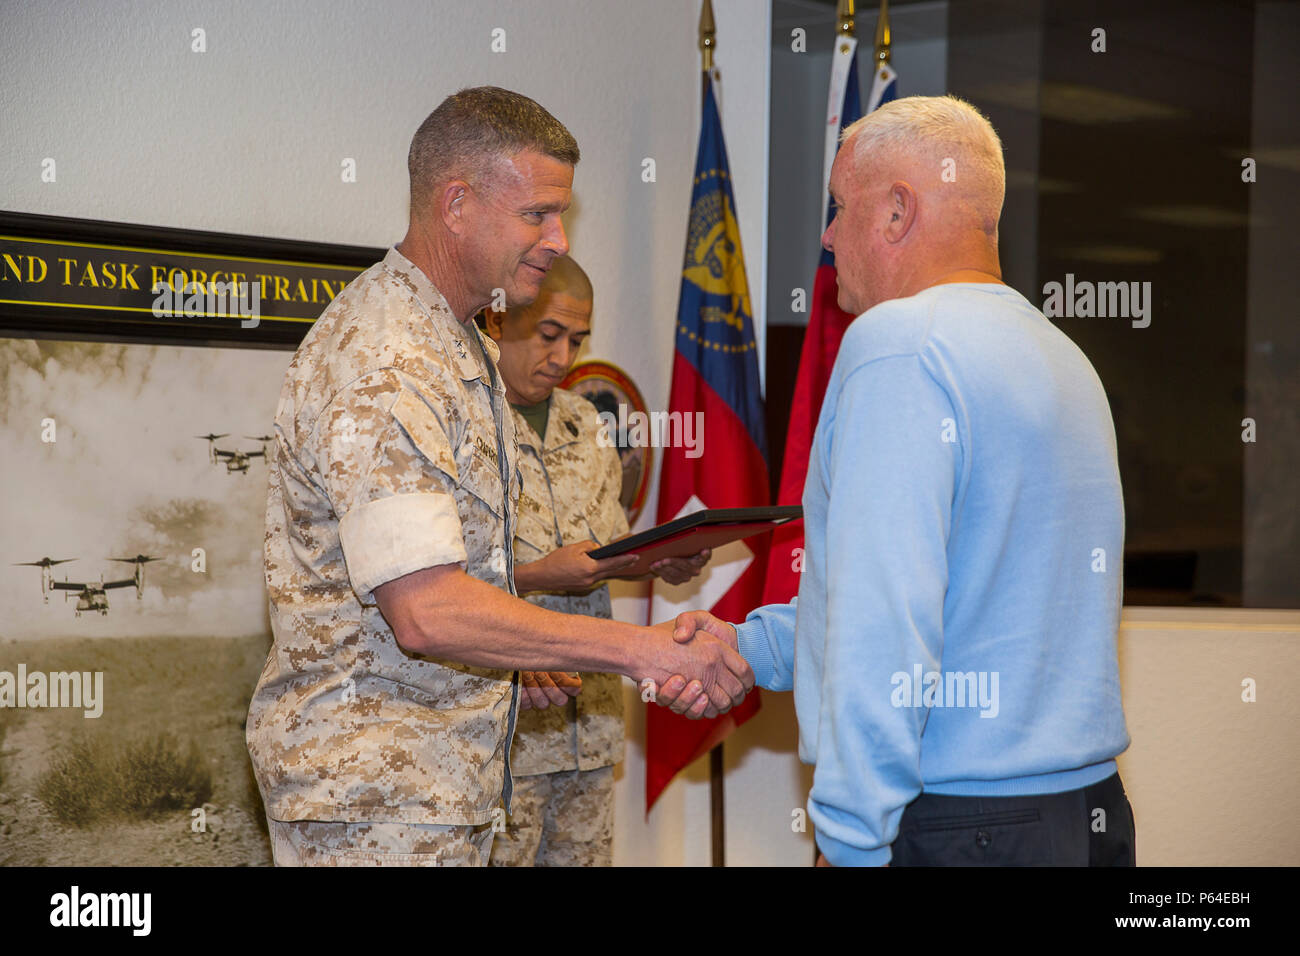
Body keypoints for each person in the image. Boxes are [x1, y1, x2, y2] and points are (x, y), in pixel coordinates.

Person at [246, 86, 751, 867]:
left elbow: (463, 572)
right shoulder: (388, 359)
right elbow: (427, 610)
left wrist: (528, 647)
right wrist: (640, 651)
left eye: (562, 216)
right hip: (374, 804)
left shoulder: (462, 345)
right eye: (537, 215)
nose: (557, 240)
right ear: (456, 205)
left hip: (450, 791)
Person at [664, 95, 1135, 866]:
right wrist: (751, 648)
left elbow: (886, 622)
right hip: (1083, 815)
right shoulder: (1063, 358)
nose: (826, 235)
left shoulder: (901, 343)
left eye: (839, 207)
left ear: (895, 213)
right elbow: (965, 598)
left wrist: (850, 841)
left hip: (960, 826)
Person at [480, 256, 710, 866]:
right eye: (549, 334)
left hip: (593, 714)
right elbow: (437, 584)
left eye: (577, 340)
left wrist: (657, 559)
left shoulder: (587, 421)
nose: (563, 357)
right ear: (500, 319)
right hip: (505, 726)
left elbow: (608, 548)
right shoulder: (464, 420)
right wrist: (535, 575)